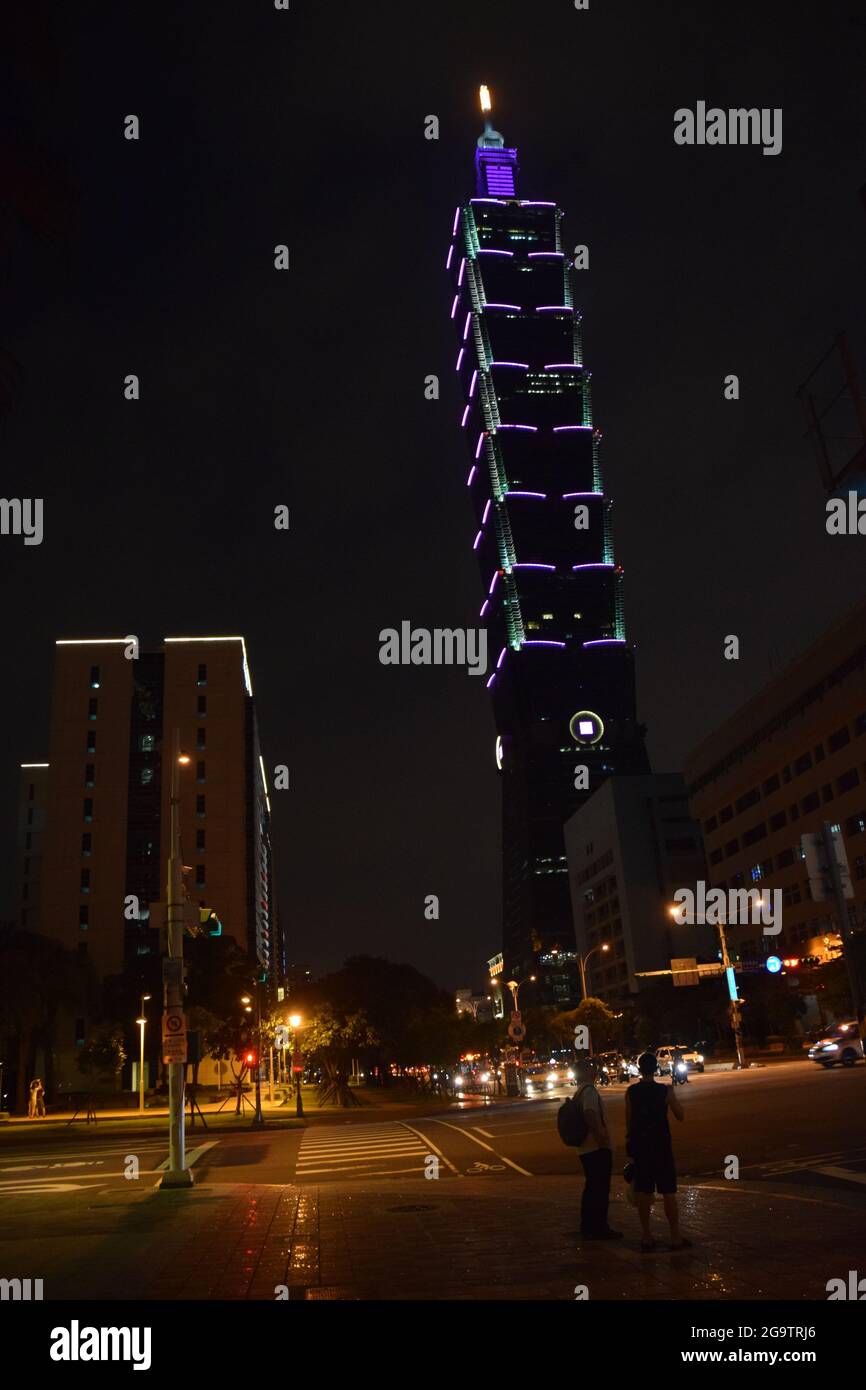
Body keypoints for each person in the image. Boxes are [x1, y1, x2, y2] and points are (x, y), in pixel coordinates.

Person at [625, 1051, 690, 1251]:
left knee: (644, 1192)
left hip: (641, 1148)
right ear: (655, 1069)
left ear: (639, 1069)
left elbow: (629, 1123)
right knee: (668, 1192)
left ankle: (647, 1236)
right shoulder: (665, 1091)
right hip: (662, 1146)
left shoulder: (631, 1092)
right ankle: (675, 1236)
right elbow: (680, 1115)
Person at [573, 1056, 621, 1241]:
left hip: (586, 1148)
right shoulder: (589, 1091)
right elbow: (590, 1113)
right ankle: (600, 1226)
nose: (594, 1071)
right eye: (591, 1068)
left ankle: (588, 1225)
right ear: (585, 1073)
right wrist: (601, 1137)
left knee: (591, 1187)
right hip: (596, 1147)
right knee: (600, 1189)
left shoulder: (579, 1091)